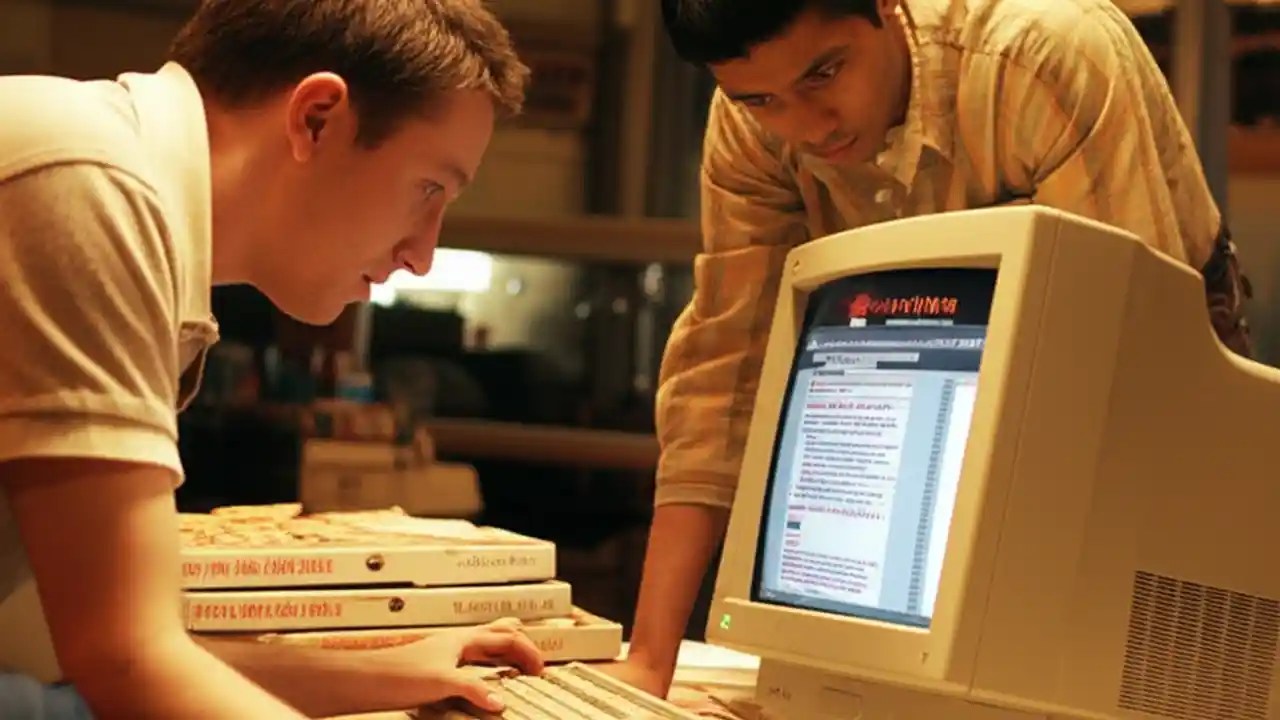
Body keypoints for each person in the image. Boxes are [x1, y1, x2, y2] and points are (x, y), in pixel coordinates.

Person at [606, 0, 1254, 698]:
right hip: (913, 365)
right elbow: (726, 367)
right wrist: (649, 663)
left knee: (1125, 676)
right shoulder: (748, 122)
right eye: (763, 99)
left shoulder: (1041, 57)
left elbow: (1117, 381)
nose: (806, 125)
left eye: (825, 73)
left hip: (1154, 371)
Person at [0, 1, 540, 717]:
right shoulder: (90, 182)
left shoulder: (116, 176)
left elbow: (105, 641)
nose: (422, 253)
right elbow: (123, 661)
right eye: (430, 188)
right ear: (316, 118)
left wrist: (393, 670)